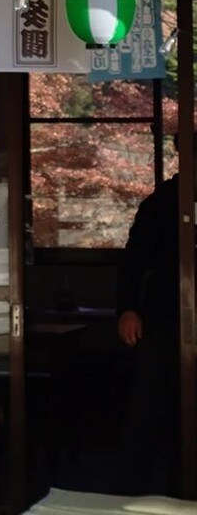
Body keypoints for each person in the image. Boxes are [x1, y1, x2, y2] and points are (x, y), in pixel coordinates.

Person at [114, 173, 181, 495]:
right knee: (148, 405)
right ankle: (130, 491)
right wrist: (128, 309)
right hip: (163, 316)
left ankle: (184, 489)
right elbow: (134, 259)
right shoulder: (164, 200)